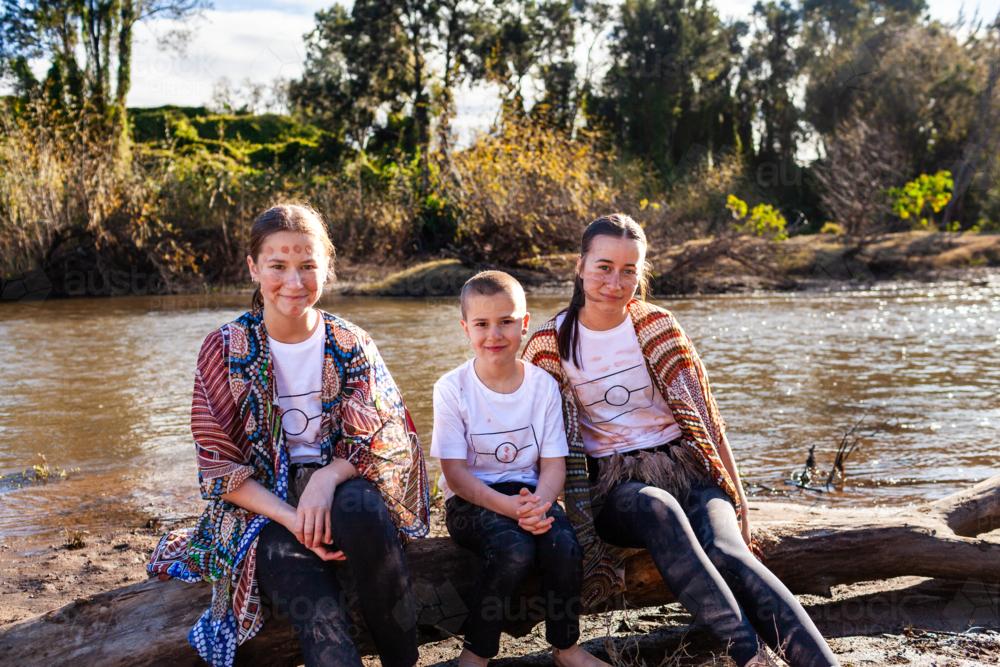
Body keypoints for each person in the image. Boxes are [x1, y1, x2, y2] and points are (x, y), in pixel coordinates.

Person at [522, 214, 840, 667]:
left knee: (728, 550)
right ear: (580, 266)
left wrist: (741, 502)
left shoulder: (659, 328)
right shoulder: (549, 344)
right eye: (604, 267)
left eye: (630, 270)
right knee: (658, 508)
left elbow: (708, 421)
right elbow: (535, 435)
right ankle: (754, 661)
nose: (616, 281)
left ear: (642, 273)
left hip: (687, 467)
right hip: (617, 488)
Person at [148, 204, 430, 667]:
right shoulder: (222, 349)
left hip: (343, 485)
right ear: (253, 268)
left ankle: (403, 658)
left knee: (363, 513)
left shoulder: (350, 342)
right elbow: (219, 467)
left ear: (327, 268)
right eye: (277, 266)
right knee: (313, 600)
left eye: (307, 267)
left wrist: (323, 481)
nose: (294, 283)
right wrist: (292, 516)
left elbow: (386, 437)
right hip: (261, 509)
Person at [431, 271, 608, 667]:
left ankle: (566, 648)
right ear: (466, 329)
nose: (494, 334)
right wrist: (511, 510)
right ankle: (476, 653)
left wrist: (538, 505)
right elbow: (456, 475)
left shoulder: (542, 385)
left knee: (563, 546)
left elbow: (553, 467)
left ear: (524, 324)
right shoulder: (451, 388)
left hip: (532, 496)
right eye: (481, 324)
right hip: (470, 501)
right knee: (513, 549)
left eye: (506, 321)